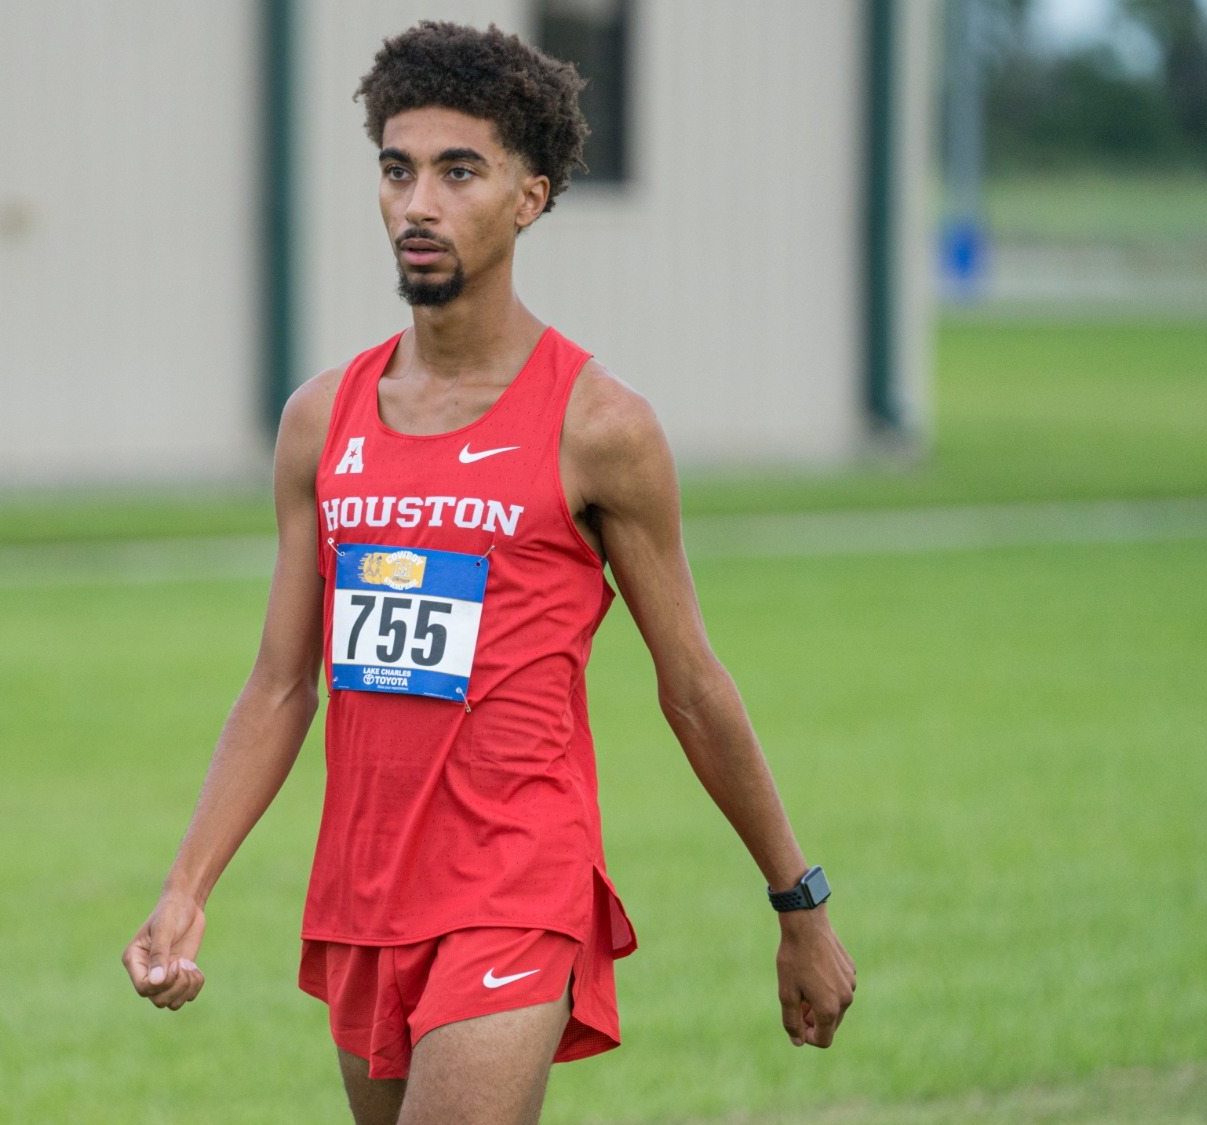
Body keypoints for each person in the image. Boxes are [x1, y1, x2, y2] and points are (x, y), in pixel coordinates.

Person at [123, 21, 855, 1124]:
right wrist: (186, 890)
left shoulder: (600, 426)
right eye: (396, 169)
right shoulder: (320, 420)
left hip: (516, 889)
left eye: (457, 171)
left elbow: (692, 687)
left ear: (529, 196)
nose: (418, 204)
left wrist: (797, 902)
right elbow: (281, 685)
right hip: (363, 893)